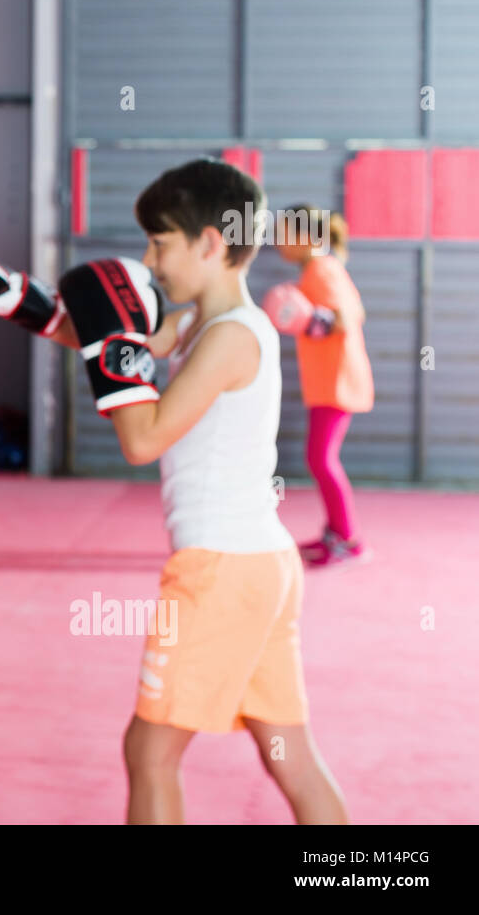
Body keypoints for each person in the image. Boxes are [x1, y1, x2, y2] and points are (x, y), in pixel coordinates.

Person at [53, 159, 347, 824]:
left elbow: (142, 435)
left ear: (211, 243)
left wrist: (109, 347)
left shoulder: (232, 338)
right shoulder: (195, 326)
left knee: (148, 751)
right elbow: (114, 343)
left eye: (160, 243)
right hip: (258, 563)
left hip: (220, 569)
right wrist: (24, 303)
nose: (149, 261)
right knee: (288, 754)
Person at [268, 206, 374, 567]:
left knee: (321, 458)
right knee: (321, 458)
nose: (278, 241)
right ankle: (337, 533)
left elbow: (345, 319)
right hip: (329, 381)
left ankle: (348, 537)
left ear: (304, 238)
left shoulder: (321, 268)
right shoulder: (319, 268)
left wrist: (305, 316)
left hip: (337, 381)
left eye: (284, 233)